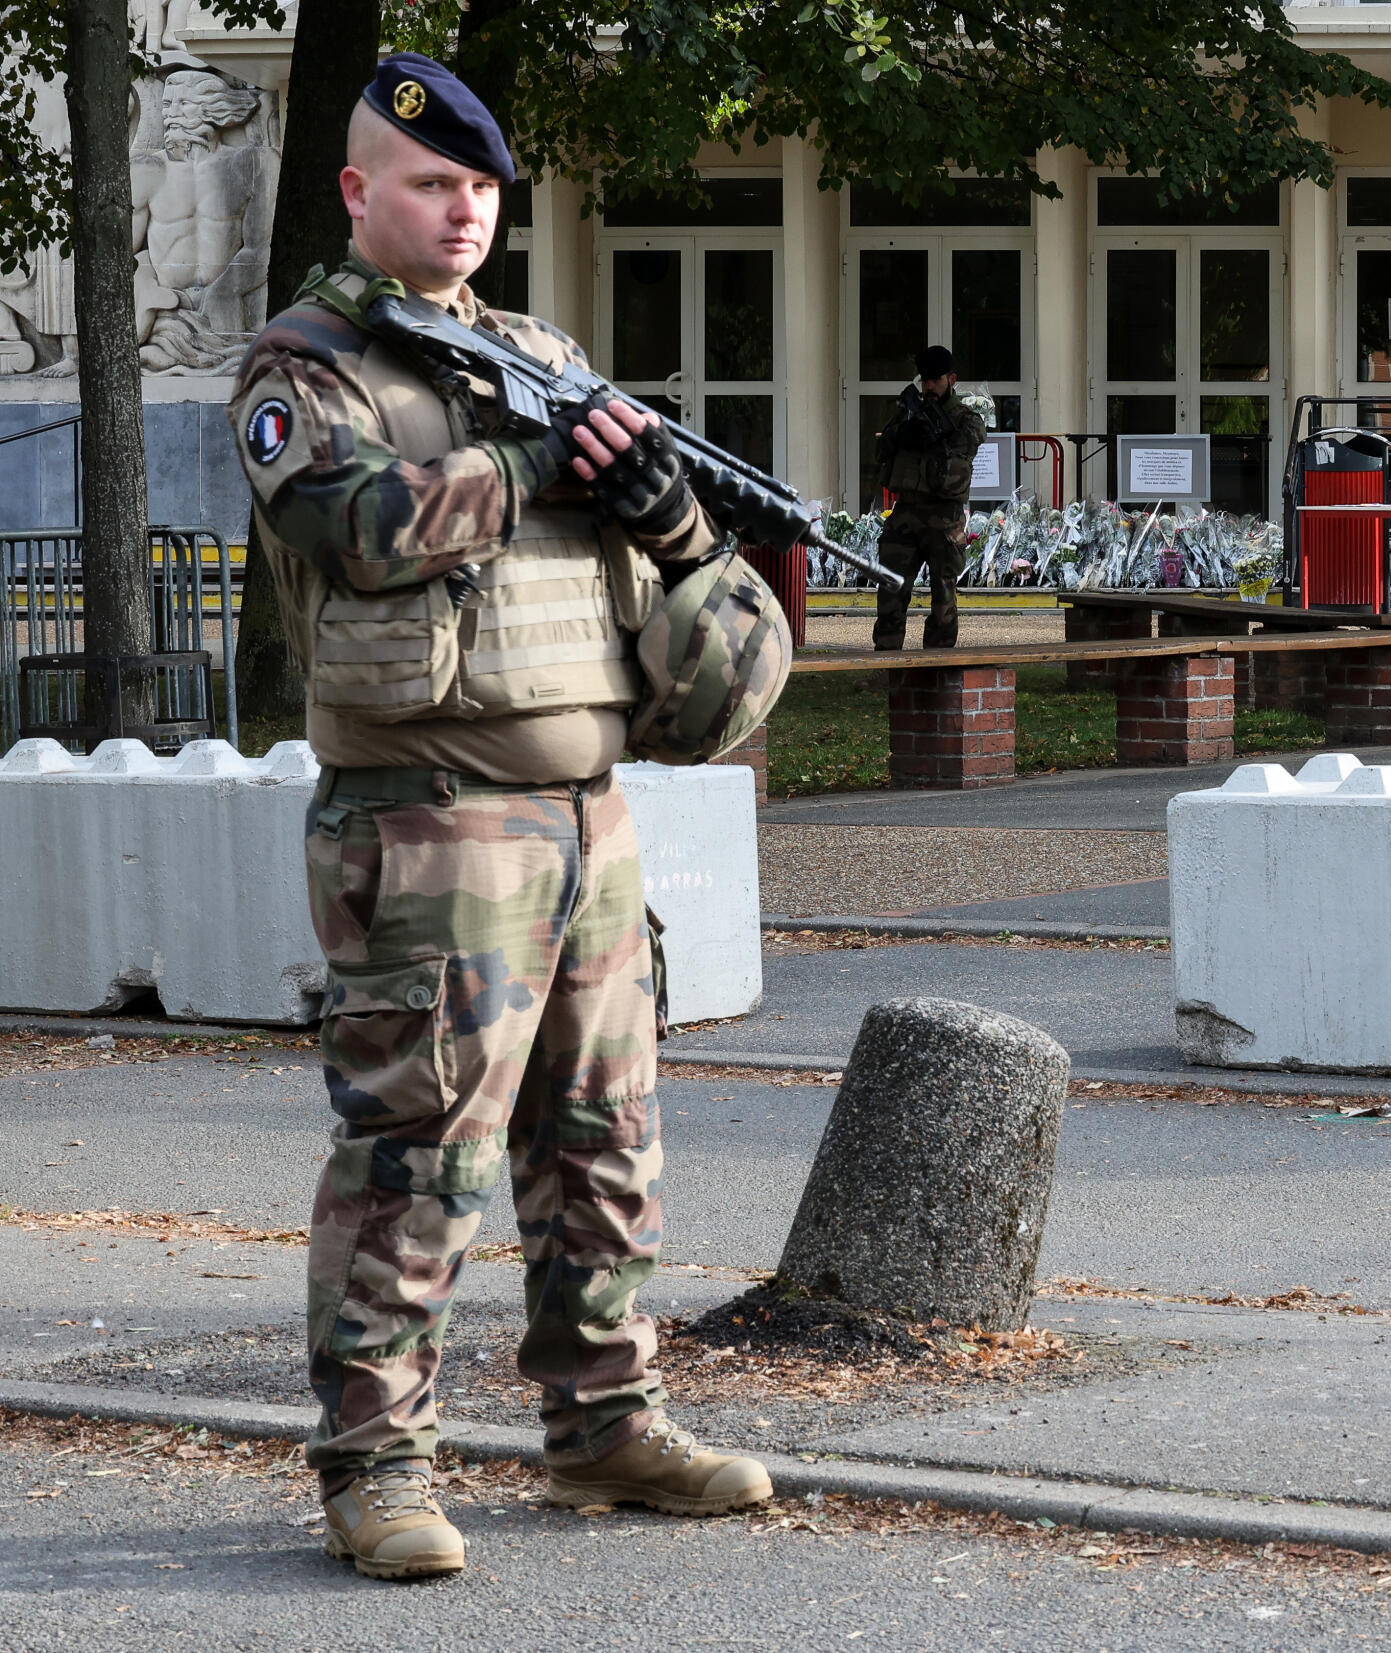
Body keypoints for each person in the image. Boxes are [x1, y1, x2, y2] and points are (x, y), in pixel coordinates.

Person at [224, 52, 770, 1581]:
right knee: (419, 1151)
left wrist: (666, 513)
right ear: (358, 192)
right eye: (429, 183)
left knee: (603, 1141)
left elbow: (642, 578)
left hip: (587, 814)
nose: (462, 210)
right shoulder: (309, 363)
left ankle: (605, 1423)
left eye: (480, 188)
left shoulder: (542, 348)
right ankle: (374, 1468)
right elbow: (348, 523)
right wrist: (537, 466)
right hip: (429, 819)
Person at [871, 346, 988, 650]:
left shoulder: (966, 419)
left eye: (936, 379)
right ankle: (886, 662)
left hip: (944, 518)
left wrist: (934, 438)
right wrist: (902, 433)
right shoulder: (908, 414)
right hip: (906, 512)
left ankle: (940, 668)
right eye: (925, 380)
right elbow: (881, 452)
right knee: (891, 589)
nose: (929, 386)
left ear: (952, 379)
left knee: (943, 594)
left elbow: (965, 450)